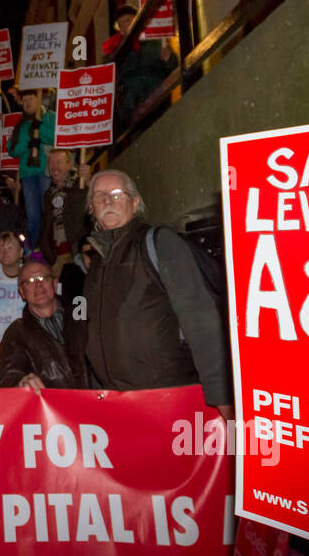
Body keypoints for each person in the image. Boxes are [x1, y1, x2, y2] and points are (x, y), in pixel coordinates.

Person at [83, 169, 231, 414]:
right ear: (92, 209)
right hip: (119, 403)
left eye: (117, 194)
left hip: (168, 399)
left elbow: (200, 319)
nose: (107, 200)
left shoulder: (159, 243)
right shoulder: (97, 264)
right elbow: (88, 326)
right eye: (99, 196)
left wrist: (223, 398)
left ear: (135, 201)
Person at [0, 260, 89, 392]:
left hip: (96, 404)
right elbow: (8, 377)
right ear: (21, 292)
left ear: (55, 284)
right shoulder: (16, 332)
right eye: (29, 281)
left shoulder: (82, 317)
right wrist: (21, 382)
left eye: (43, 278)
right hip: (50, 409)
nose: (38, 285)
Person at [105, 3, 174, 127]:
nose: (125, 25)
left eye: (127, 20)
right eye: (121, 24)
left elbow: (174, 68)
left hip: (158, 102)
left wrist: (170, 58)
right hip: (132, 108)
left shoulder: (155, 42)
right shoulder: (114, 52)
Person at [8, 88, 56, 249]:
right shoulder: (20, 124)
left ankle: (48, 247)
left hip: (45, 172)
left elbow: (55, 137)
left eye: (31, 99)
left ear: (39, 100)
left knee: (46, 212)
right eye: (25, 100)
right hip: (28, 174)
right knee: (33, 215)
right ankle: (34, 249)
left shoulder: (50, 117)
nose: (27, 103)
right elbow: (12, 149)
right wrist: (28, 141)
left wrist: (39, 128)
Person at [40, 148, 89, 272]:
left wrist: (89, 181)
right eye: (50, 163)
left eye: (58, 162)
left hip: (77, 253)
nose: (54, 166)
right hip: (55, 255)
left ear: (70, 164)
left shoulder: (81, 186)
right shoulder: (48, 194)